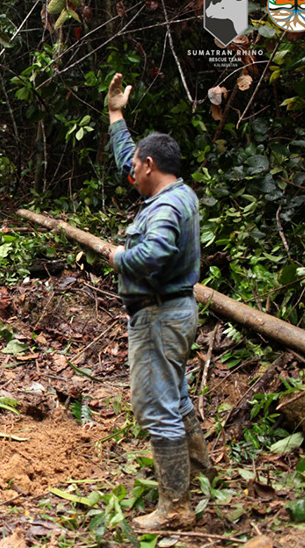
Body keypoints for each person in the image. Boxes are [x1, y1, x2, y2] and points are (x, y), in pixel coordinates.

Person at [105, 72, 209, 529]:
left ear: (151, 166)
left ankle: (176, 508)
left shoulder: (165, 208)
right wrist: (115, 115)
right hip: (175, 311)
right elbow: (127, 159)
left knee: (156, 406)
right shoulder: (176, 191)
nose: (132, 173)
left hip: (159, 315)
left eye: (137, 167)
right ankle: (200, 473)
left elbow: (154, 255)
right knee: (178, 397)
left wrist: (119, 255)